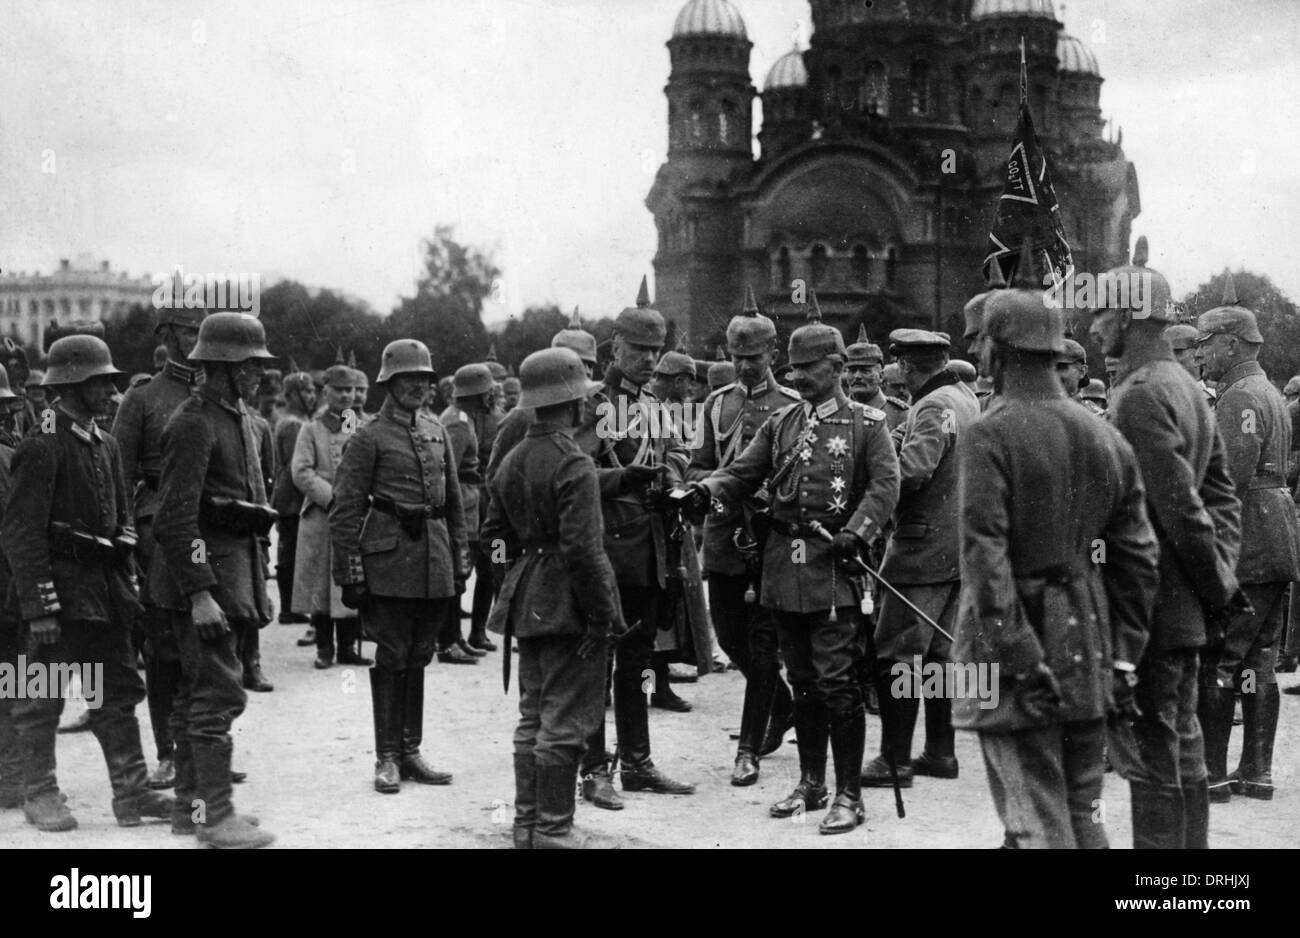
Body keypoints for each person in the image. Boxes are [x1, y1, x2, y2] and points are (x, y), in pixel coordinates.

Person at [953, 244, 1159, 849]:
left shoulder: (990, 434)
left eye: (980, 343)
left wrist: (1019, 657)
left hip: (1018, 652)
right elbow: (1139, 560)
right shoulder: (1105, 433)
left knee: (1035, 820)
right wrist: (1123, 655)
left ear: (998, 347)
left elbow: (985, 563)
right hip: (1089, 642)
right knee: (1081, 809)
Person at [686, 292, 900, 834]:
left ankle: (850, 794)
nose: (799, 377)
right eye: (795, 369)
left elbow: (885, 486)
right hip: (784, 567)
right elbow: (741, 475)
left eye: (808, 369)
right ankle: (811, 783)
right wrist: (701, 493)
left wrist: (858, 532)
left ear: (836, 368)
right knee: (802, 679)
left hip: (833, 567)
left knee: (837, 682)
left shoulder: (868, 425)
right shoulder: (781, 424)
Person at [1090, 236, 1243, 848]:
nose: (1094, 325)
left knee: (1153, 757)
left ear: (1128, 316)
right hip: (1183, 606)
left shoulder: (1139, 395)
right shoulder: (1185, 386)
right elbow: (1221, 498)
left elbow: (1178, 508)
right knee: (1183, 749)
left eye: (1102, 312)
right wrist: (1218, 584)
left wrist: (1216, 589)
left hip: (1147, 607)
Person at [1, 335, 173, 832]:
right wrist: (39, 606)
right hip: (60, 594)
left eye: (110, 381)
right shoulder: (42, 443)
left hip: (105, 594)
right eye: (100, 381)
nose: (109, 390)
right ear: (73, 382)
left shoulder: (107, 441)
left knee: (116, 693)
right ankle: (40, 792)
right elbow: (21, 532)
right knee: (40, 698)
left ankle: (132, 792)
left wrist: (129, 584)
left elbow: (123, 521)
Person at [482, 347, 624, 848]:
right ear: (572, 403)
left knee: (533, 716)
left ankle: (526, 825)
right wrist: (604, 617)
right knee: (565, 722)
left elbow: (493, 536)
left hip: (529, 598)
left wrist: (510, 582)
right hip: (568, 603)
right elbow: (585, 552)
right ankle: (553, 830)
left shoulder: (512, 460)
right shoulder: (574, 463)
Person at [151, 313, 277, 848]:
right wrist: (201, 593)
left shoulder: (237, 418)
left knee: (193, 696)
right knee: (215, 696)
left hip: (228, 578)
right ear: (223, 368)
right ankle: (213, 816)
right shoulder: (194, 422)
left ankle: (191, 808)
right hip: (203, 586)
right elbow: (174, 518)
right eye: (249, 367)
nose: (258, 376)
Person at [577, 277, 696, 810]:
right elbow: (576, 474)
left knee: (639, 658)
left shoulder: (656, 404)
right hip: (605, 546)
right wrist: (624, 476)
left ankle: (638, 762)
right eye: (640, 349)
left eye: (657, 350)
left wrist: (668, 474)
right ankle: (593, 771)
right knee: (597, 662)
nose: (650, 360)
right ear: (615, 347)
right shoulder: (591, 405)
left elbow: (678, 453)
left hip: (649, 546)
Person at [330, 340, 467, 794]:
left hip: (433, 559)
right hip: (388, 561)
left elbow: (453, 505)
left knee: (420, 653)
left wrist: (459, 558)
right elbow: (345, 508)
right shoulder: (368, 436)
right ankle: (386, 756)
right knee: (390, 654)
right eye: (407, 380)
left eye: (424, 380)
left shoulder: (436, 431)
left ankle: (410, 750)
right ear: (388, 383)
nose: (417, 387)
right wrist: (350, 571)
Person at [687, 286, 801, 785]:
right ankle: (784, 703)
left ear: (773, 354)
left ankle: (749, 749)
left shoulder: (793, 405)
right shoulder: (716, 405)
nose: (745, 367)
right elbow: (701, 465)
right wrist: (698, 492)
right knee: (729, 637)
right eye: (737, 358)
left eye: (754, 357)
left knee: (759, 648)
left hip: (770, 541)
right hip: (722, 537)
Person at [1195, 275, 1300, 801]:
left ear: (1230, 343)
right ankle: (1256, 771)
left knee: (1221, 658)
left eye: (1205, 344)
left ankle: (1212, 773)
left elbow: (1227, 481)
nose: (1200, 354)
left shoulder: (1237, 396)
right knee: (1259, 660)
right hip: (1276, 535)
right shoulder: (1271, 390)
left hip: (1248, 542)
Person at [861, 329, 978, 790]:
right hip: (958, 547)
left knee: (897, 654)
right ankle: (940, 752)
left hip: (922, 546)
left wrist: (872, 466)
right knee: (939, 654)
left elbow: (913, 471)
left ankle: (894, 759)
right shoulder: (964, 396)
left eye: (900, 368)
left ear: (907, 367)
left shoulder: (931, 406)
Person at [111, 300, 205, 790]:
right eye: (187, 331)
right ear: (167, 334)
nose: (195, 339)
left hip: (205, 532)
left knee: (206, 644)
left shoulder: (216, 393)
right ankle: (168, 752)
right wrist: (126, 544)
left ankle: (201, 750)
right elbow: (118, 476)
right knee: (165, 644)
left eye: (201, 330)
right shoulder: (143, 398)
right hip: (155, 531)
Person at [292, 365, 372, 670]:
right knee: (321, 586)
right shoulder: (312, 428)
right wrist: (333, 497)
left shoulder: (360, 426)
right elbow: (301, 471)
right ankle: (325, 648)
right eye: (340, 390)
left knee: (351, 578)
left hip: (353, 517)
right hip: (322, 516)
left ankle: (348, 647)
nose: (347, 395)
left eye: (351, 390)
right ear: (326, 391)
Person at [437, 364, 492, 665]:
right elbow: (451, 472)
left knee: (461, 570)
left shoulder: (460, 417)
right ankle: (448, 641)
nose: (491, 397)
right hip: (466, 505)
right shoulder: (458, 422)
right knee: (459, 570)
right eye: (487, 391)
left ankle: (455, 637)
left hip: (470, 502)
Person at [271, 371, 317, 638]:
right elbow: (295, 464)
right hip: (292, 496)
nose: (311, 397)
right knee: (290, 553)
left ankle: (293, 606)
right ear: (290, 396)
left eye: (312, 392)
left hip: (292, 493)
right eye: (305, 392)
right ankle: (288, 608)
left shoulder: (301, 421)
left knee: (294, 551)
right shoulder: (292, 424)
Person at [844, 326, 908, 430]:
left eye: (865, 370)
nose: (857, 376)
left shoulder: (901, 415)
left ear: (881, 376)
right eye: (852, 370)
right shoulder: (836, 412)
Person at [1166, 323, 1217, 404]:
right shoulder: (1156, 394)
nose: (1167, 358)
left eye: (1176, 352)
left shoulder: (1214, 397)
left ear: (1196, 359)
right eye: (1165, 352)